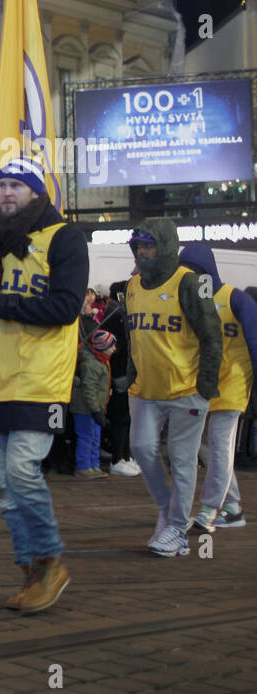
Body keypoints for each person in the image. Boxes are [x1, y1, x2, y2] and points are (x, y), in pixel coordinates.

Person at [0, 157, 88, 614]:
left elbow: (67, 308)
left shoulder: (65, 238)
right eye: (2, 185)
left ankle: (51, 561)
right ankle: (30, 568)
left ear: (35, 191)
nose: (6, 193)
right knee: (3, 484)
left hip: (42, 376)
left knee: (21, 470)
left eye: (16, 185)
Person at [123, 221, 222, 557]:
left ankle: (177, 529)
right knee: (141, 447)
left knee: (182, 460)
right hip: (145, 391)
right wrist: (130, 373)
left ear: (164, 246)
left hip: (186, 390)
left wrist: (206, 386)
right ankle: (168, 512)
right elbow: (133, 335)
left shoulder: (188, 284)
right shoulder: (133, 286)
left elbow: (212, 335)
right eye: (139, 246)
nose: (143, 252)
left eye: (149, 245)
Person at [178, 243, 255, 532]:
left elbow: (256, 341)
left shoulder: (236, 299)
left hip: (234, 382)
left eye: (193, 270)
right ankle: (233, 507)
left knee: (220, 444)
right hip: (205, 383)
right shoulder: (193, 302)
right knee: (206, 446)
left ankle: (210, 509)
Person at [103, 280, 139, 477]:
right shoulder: (116, 316)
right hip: (119, 373)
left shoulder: (120, 314)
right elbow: (117, 346)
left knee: (127, 417)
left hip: (125, 372)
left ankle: (125, 456)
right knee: (121, 417)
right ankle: (118, 458)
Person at [71, 329, 115, 480]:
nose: (114, 349)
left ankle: (93, 465)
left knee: (95, 436)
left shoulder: (101, 361)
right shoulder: (92, 364)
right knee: (86, 436)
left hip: (95, 408)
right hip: (85, 409)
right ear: (102, 347)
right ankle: (83, 466)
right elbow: (89, 390)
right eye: (111, 346)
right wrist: (96, 410)